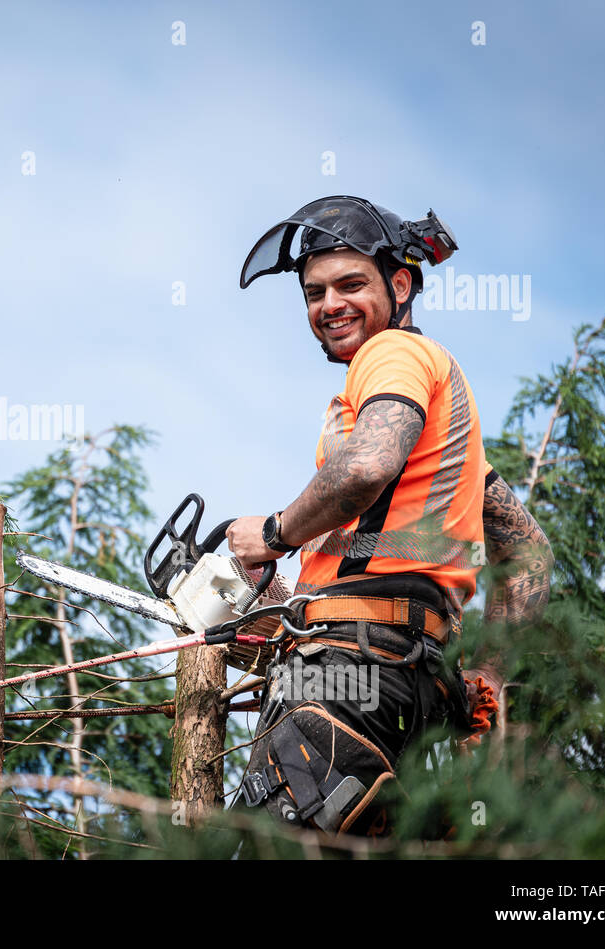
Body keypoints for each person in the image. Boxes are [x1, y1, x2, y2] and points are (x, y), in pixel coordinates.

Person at [226, 196, 552, 836]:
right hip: (408, 685)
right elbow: (529, 550)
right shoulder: (449, 435)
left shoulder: (393, 354)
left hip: (354, 674)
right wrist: (484, 677)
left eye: (351, 285)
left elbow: (368, 466)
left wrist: (271, 535)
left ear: (399, 285)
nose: (330, 306)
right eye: (314, 293)